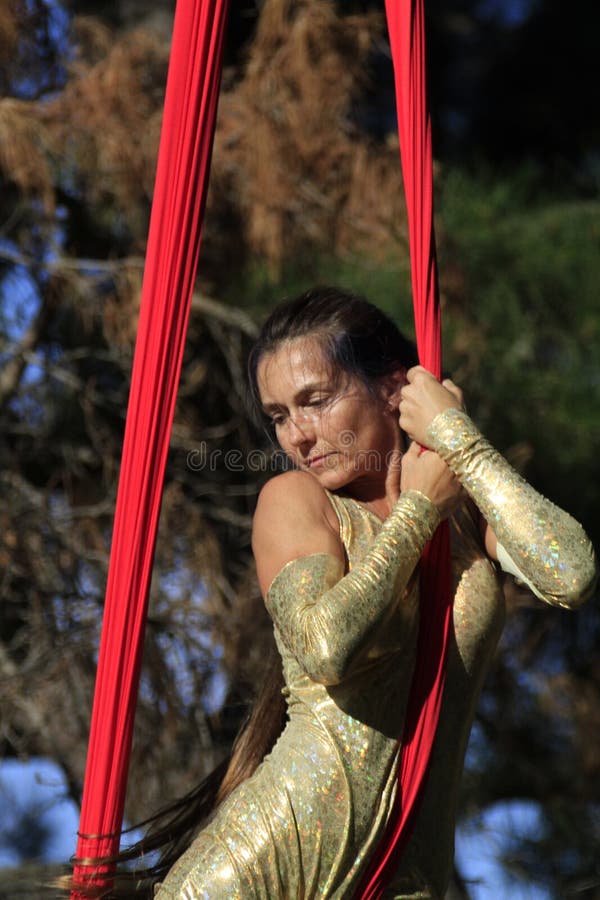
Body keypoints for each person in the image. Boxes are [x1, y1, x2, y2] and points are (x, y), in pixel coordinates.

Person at [144, 286, 596, 899]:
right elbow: (328, 650)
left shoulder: (463, 516)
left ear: (393, 391)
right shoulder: (295, 501)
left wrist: (458, 439)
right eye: (279, 416)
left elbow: (570, 573)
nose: (298, 436)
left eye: (316, 401)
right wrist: (417, 511)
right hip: (266, 872)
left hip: (410, 879)